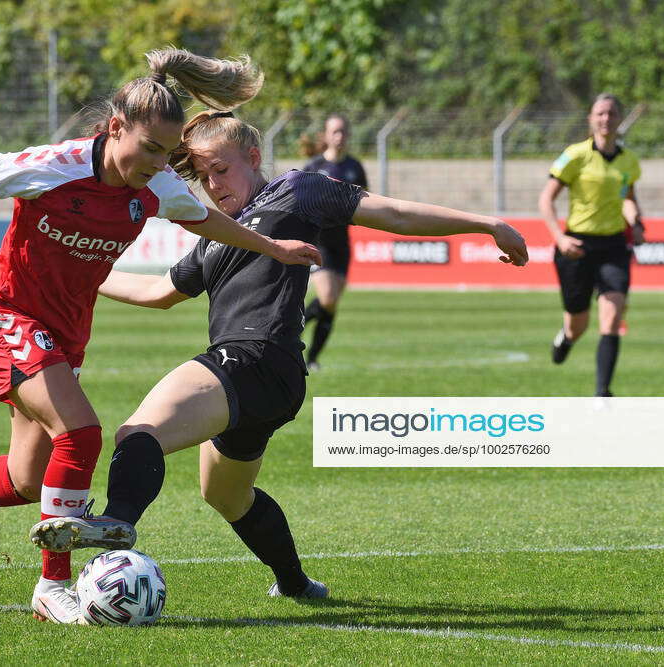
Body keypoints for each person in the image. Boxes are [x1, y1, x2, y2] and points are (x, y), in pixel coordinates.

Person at [0, 48, 321, 624]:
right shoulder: (55, 165)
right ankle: (51, 586)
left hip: (64, 333)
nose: (160, 163)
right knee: (82, 434)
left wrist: (276, 249)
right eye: (152, 148)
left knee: (27, 478)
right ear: (116, 128)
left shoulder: (157, 184)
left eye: (168, 153)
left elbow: (208, 221)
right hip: (5, 311)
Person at [30, 111, 527, 602]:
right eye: (203, 178)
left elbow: (392, 213)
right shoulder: (220, 231)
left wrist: (487, 224)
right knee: (225, 495)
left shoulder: (298, 190)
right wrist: (78, 270)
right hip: (263, 381)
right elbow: (159, 291)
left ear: (253, 156)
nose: (213, 185)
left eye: (220, 170)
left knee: (139, 433)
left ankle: (117, 522)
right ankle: (296, 583)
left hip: (256, 358)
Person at [538, 93, 644, 397]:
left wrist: (635, 222)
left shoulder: (629, 161)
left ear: (620, 119)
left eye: (611, 113)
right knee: (578, 324)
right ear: (590, 118)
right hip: (577, 246)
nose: (605, 119)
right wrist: (559, 237)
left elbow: (627, 197)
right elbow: (546, 198)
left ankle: (602, 394)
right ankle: (567, 340)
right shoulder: (575, 155)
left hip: (613, 246)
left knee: (612, 315)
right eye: (600, 113)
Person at [299, 114, 368, 370]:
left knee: (331, 304)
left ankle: (313, 358)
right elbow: (298, 201)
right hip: (320, 242)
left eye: (343, 132)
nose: (339, 136)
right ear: (326, 136)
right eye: (334, 131)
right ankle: (291, 330)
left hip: (342, 243)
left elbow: (365, 200)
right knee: (326, 297)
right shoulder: (314, 167)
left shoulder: (354, 167)